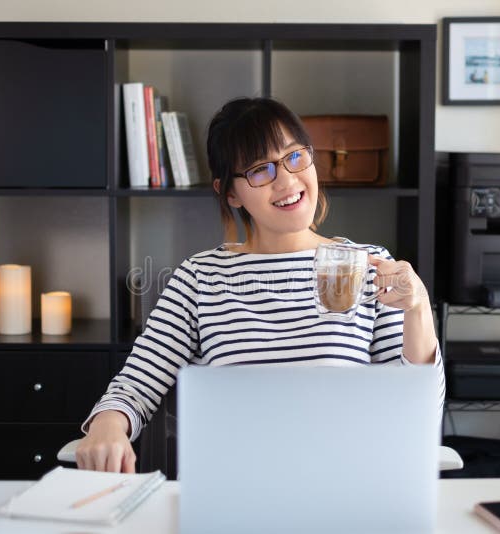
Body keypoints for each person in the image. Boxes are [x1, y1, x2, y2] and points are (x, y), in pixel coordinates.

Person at [77, 97, 445, 473]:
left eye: (295, 157)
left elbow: (418, 415)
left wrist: (418, 308)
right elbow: (137, 382)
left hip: (346, 484)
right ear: (231, 193)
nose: (286, 180)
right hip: (236, 490)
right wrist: (108, 426)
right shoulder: (199, 277)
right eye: (260, 170)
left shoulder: (368, 266)